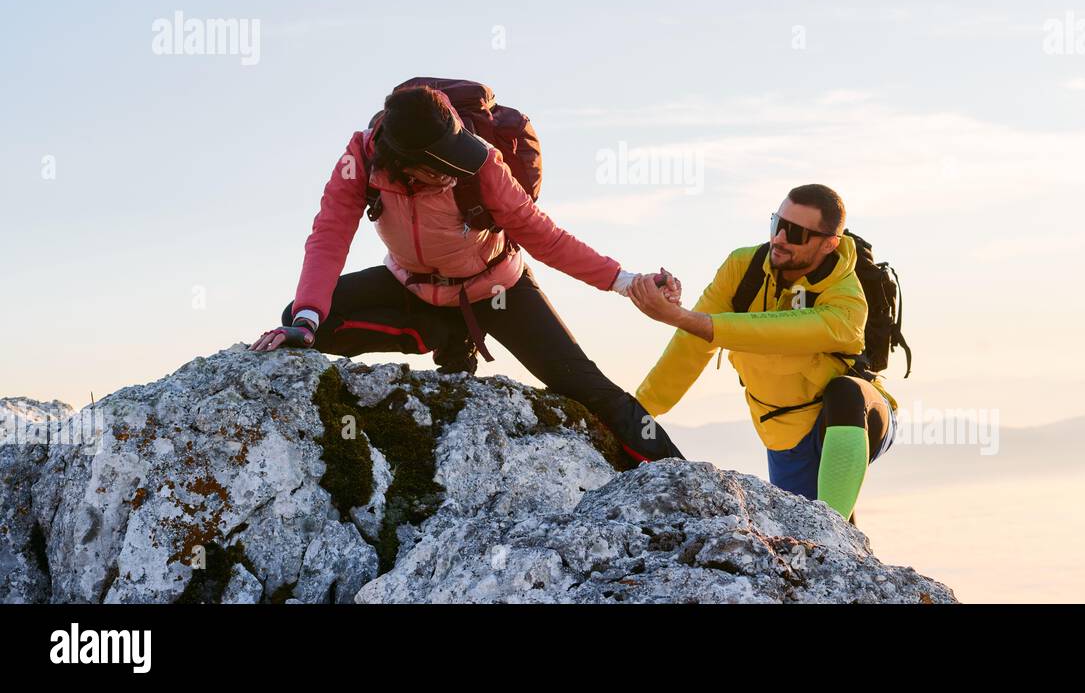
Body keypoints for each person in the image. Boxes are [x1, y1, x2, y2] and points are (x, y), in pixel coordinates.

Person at [250, 81, 683, 463]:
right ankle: (441, 334)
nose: (452, 170)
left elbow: (544, 237)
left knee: (584, 385)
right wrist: (308, 316)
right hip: (415, 287)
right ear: (403, 163)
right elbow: (329, 235)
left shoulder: (481, 161)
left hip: (499, 289)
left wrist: (628, 282)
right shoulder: (361, 160)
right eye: (439, 165)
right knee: (302, 322)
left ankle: (676, 474)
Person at [627, 184, 897, 520]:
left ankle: (836, 538)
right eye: (777, 224)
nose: (780, 238)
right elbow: (691, 347)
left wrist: (680, 316)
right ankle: (845, 546)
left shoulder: (846, 302)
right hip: (784, 433)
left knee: (845, 395)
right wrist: (638, 413)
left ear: (830, 244)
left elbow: (774, 333)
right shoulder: (743, 268)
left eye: (796, 232)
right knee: (808, 529)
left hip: (856, 418)